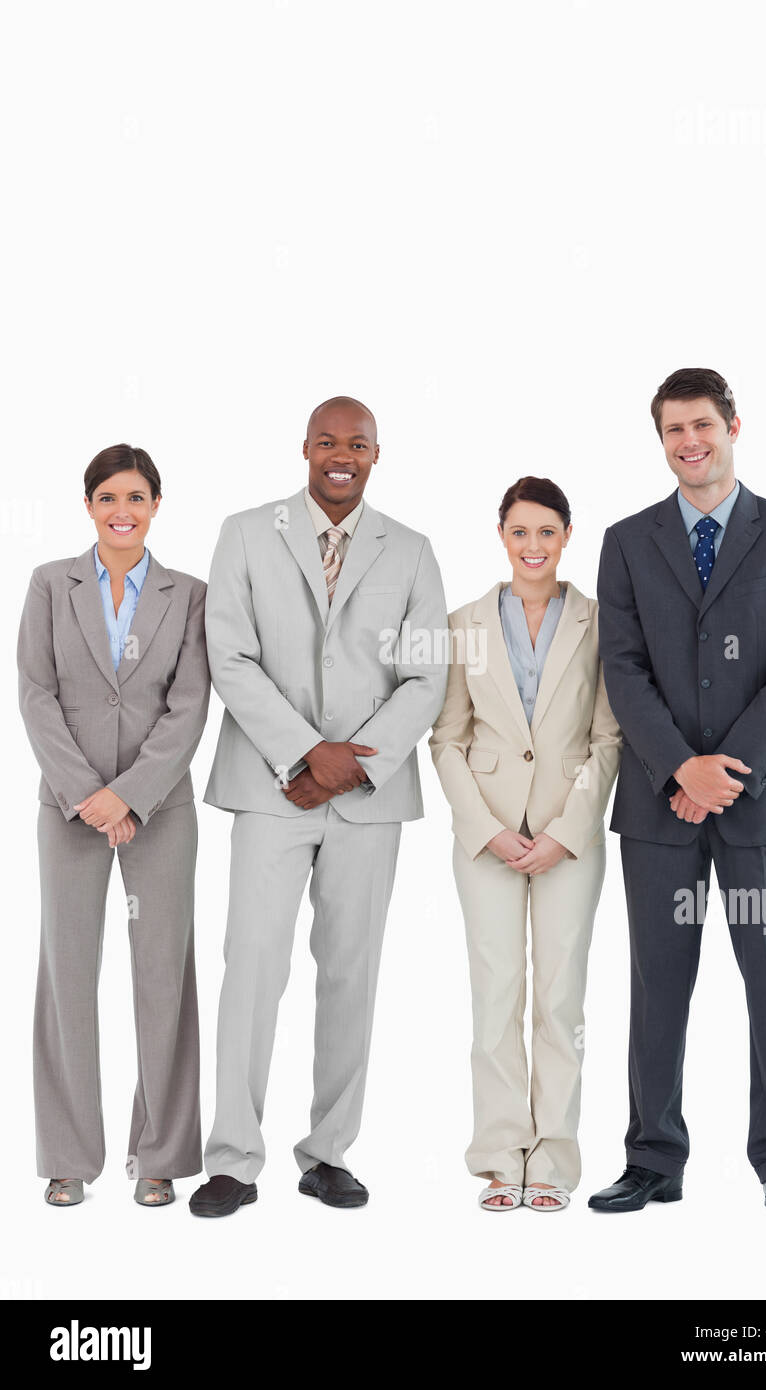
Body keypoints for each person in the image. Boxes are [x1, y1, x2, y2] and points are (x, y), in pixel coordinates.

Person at [190, 396, 448, 1217]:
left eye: (359, 444)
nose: (343, 455)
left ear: (377, 454)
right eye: (329, 442)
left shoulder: (410, 551)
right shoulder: (243, 532)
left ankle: (328, 1151)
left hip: (367, 797)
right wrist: (304, 752)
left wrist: (344, 766)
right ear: (306, 447)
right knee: (253, 965)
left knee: (350, 972)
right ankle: (232, 1157)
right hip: (270, 787)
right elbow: (227, 653)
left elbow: (427, 675)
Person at [591, 367, 766, 1222]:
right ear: (660, 442)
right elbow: (622, 666)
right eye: (673, 431)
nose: (689, 442)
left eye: (702, 425)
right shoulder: (626, 540)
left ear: (734, 425)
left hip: (763, 804)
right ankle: (653, 1157)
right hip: (659, 808)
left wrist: (722, 773)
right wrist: (676, 768)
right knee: (658, 982)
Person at [17, 444, 210, 1208]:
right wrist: (86, 794)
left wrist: (130, 796)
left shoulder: (187, 594)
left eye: (136, 496)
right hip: (68, 811)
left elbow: (190, 703)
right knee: (67, 976)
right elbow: (35, 693)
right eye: (107, 497)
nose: (121, 509)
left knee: (164, 975)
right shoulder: (49, 586)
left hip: (160, 810)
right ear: (89, 506)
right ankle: (68, 1157)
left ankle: (159, 1154)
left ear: (157, 504)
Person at [429, 477, 621, 1212]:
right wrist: (486, 829)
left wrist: (568, 832)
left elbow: (608, 736)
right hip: (488, 837)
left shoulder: (602, 622)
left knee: (560, 997)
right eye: (520, 532)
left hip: (569, 836)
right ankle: (500, 1157)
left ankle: (555, 1162)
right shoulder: (464, 623)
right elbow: (446, 738)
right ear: (501, 535)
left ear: (567, 535)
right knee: (496, 993)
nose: (533, 546)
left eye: (547, 531)